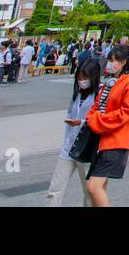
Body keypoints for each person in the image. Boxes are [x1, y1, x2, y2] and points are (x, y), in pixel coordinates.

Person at [83, 44, 129, 206]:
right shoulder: (111, 81)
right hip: (101, 138)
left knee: (93, 187)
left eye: (113, 60)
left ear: (123, 62)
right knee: (100, 186)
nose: (110, 63)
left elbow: (126, 113)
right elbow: (96, 105)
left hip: (116, 139)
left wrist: (98, 120)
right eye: (109, 60)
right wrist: (93, 118)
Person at [47, 59, 101, 206]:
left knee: (89, 192)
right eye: (79, 78)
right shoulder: (77, 94)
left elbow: (102, 120)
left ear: (93, 77)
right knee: (55, 188)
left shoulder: (100, 94)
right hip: (69, 146)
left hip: (87, 149)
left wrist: (82, 122)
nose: (82, 81)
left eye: (85, 78)